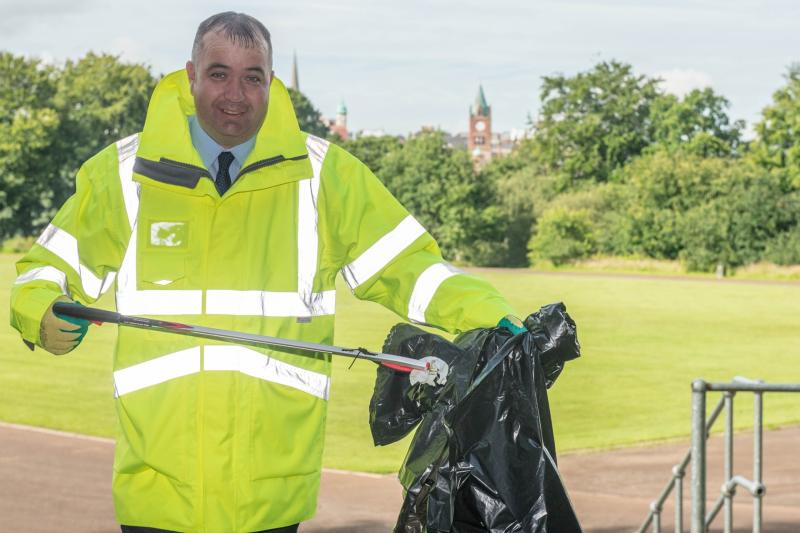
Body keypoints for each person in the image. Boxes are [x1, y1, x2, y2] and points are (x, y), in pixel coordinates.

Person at [9, 11, 525, 533]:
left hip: (272, 495)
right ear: (190, 77)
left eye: (252, 76)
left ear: (271, 84)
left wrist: (495, 316)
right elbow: (44, 270)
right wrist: (40, 312)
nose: (235, 93)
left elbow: (411, 269)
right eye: (218, 73)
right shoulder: (123, 174)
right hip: (157, 492)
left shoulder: (327, 177)